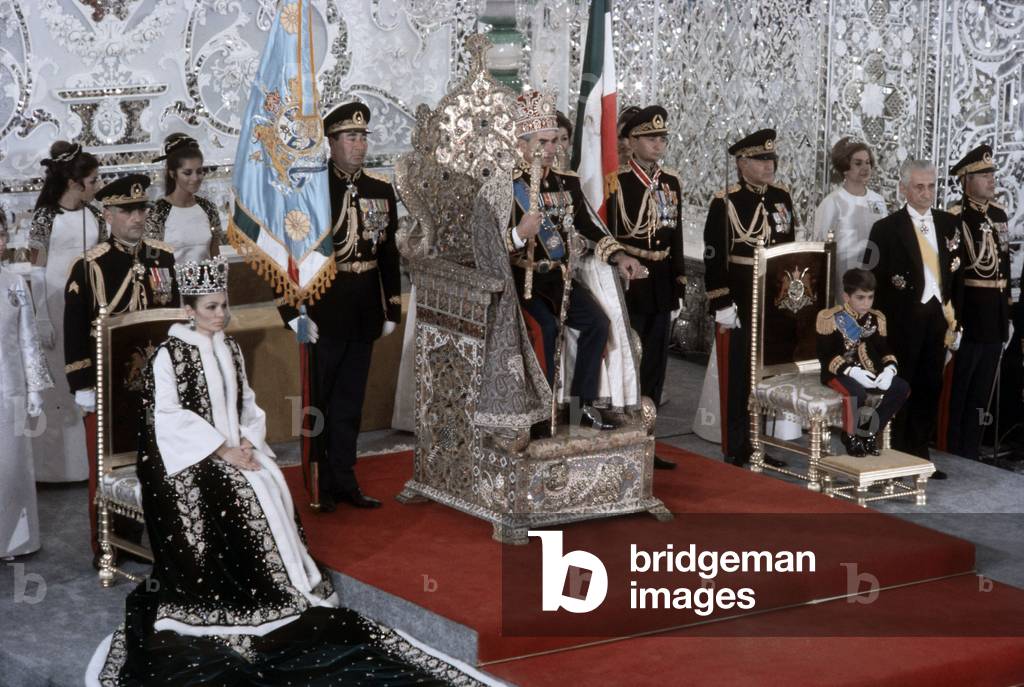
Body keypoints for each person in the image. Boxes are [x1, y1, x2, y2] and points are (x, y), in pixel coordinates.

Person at [85, 257, 451, 687]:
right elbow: (164, 417)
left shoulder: (231, 348)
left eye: (223, 305)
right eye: (210, 308)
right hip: (182, 457)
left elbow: (247, 404)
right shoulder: (170, 355)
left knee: (268, 479)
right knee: (237, 493)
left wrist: (245, 441)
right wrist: (220, 449)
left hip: (231, 448)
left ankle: (292, 582)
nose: (220, 315)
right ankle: (253, 590)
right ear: (189, 311)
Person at [281, 102, 401, 512]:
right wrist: (291, 312)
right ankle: (318, 483)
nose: (359, 145)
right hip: (322, 310)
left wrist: (392, 309)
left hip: (364, 307)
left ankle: (346, 479)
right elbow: (289, 255)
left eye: (363, 137)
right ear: (331, 143)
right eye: (350, 137)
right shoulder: (311, 191)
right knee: (320, 402)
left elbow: (388, 256)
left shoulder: (380, 191)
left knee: (351, 402)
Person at [508, 90, 645, 432]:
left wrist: (620, 255)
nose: (552, 148)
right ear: (522, 145)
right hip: (523, 282)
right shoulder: (506, 186)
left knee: (598, 323)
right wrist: (518, 234)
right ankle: (540, 414)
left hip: (560, 280)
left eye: (555, 141)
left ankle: (579, 406)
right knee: (547, 329)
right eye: (543, 140)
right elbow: (486, 244)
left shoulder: (566, 182)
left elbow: (589, 227)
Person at [64, 173, 178, 549]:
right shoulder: (89, 266)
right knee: (109, 466)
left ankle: (160, 538)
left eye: (142, 208)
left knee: (158, 460)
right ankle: (109, 542)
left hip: (157, 383)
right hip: (108, 384)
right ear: (108, 214)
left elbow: (173, 318)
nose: (138, 217)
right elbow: (75, 330)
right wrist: (82, 386)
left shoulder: (164, 256)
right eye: (128, 210)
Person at [862, 159, 963, 474]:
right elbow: (869, 279)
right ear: (903, 188)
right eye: (919, 187)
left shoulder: (949, 224)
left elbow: (958, 278)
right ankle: (894, 455)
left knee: (930, 385)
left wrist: (957, 321)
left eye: (931, 186)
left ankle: (920, 455)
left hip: (937, 320)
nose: (926, 193)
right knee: (901, 386)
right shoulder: (885, 228)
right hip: (902, 321)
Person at [703, 128, 794, 468]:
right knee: (738, 376)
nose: (769, 165)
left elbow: (789, 251)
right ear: (742, 163)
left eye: (771, 158)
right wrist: (721, 302)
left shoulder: (781, 197)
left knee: (763, 376)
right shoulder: (725, 201)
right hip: (739, 299)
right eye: (760, 159)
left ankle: (759, 441)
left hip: (772, 299)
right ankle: (735, 445)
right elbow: (715, 256)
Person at [608, 105, 685, 469]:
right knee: (629, 360)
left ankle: (647, 439)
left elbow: (678, 237)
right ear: (631, 142)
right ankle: (620, 436)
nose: (658, 144)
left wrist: (680, 283)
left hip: (662, 279)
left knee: (655, 363)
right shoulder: (616, 182)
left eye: (662, 138)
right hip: (631, 279)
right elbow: (608, 233)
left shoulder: (671, 182)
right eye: (650, 137)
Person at [27, 140, 104, 482]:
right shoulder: (44, 217)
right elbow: (36, 269)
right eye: (93, 180)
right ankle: (57, 469)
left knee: (89, 379)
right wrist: (41, 315)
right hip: (55, 307)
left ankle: (91, 463)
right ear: (75, 183)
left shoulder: (96, 214)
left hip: (87, 308)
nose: (97, 186)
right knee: (60, 383)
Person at [945, 144, 1013, 459]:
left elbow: (1004, 266)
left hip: (995, 316)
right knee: (961, 386)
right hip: (970, 316)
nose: (991, 179)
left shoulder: (999, 214)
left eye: (991, 173)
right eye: (983, 174)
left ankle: (971, 448)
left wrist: (1007, 314)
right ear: (966, 179)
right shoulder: (956, 217)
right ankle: (954, 446)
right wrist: (953, 320)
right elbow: (953, 274)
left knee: (982, 389)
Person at [0, 218, 54, 558]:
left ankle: (13, 540)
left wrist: (35, 389)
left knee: (12, 465)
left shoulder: (15, 283)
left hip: (10, 390)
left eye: (2, 233)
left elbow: (28, 339)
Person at [816, 269, 909, 456]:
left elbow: (884, 350)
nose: (866, 303)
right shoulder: (830, 318)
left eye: (870, 297)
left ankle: (868, 432)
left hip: (869, 371)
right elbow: (825, 356)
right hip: (838, 373)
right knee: (855, 392)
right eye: (860, 298)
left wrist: (889, 370)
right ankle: (849, 436)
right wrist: (852, 372)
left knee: (901, 387)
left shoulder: (876, 318)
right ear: (846, 296)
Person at [811, 137, 887, 300]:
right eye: (858, 163)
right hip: (843, 279)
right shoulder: (832, 202)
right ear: (845, 167)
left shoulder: (878, 201)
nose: (865, 168)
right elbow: (820, 248)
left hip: (873, 276)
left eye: (867, 162)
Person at [144, 133, 225, 262]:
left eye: (199, 172)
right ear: (172, 173)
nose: (195, 178)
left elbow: (215, 255)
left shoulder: (208, 208)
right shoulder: (158, 212)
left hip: (207, 280)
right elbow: (152, 260)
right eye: (187, 173)